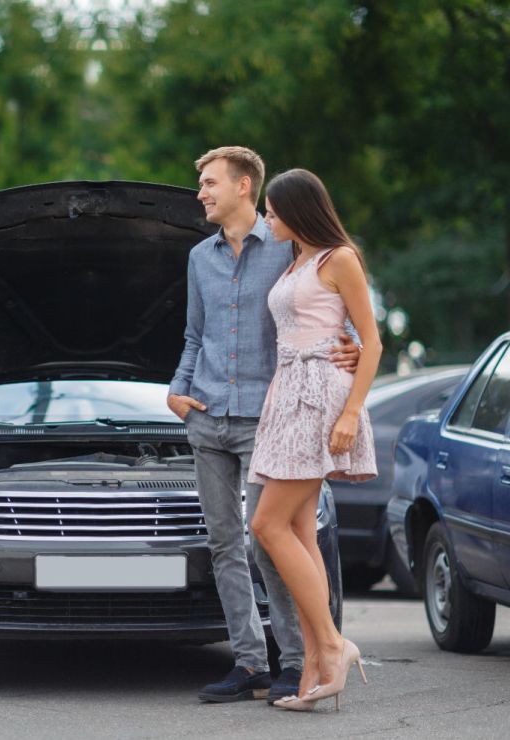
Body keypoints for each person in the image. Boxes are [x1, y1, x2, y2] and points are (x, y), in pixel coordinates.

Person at [168, 147, 360, 705]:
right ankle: (249, 663)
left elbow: (326, 310)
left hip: (270, 418)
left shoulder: (285, 247)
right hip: (207, 417)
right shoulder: (198, 257)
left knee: (269, 542)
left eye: (208, 183)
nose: (200, 192)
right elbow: (194, 335)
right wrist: (178, 390)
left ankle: (298, 657)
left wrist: (346, 350)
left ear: (244, 186)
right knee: (224, 543)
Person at [248, 168, 380, 711]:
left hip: (319, 398)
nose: (268, 219)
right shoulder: (295, 260)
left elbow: (370, 343)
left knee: (267, 525)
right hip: (285, 396)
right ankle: (313, 672)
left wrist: (350, 413)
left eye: (274, 211)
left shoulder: (338, 258)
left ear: (299, 211)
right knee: (299, 531)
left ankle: (334, 644)